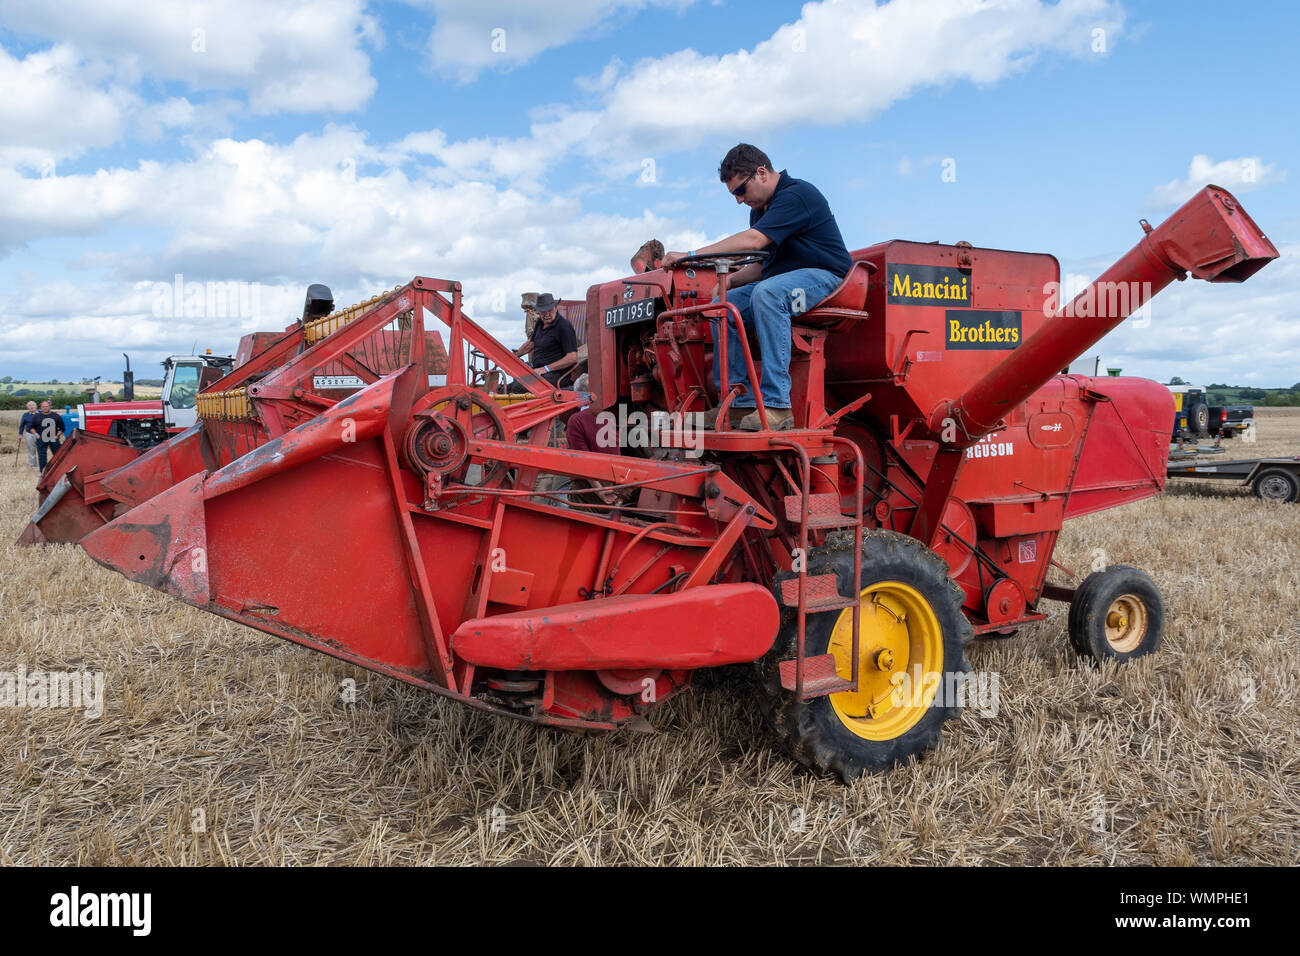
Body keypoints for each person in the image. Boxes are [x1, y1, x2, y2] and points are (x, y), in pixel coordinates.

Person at [662, 144, 851, 430]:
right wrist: (729, 283)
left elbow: (753, 242)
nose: (739, 201)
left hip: (827, 278)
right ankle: (741, 403)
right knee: (723, 307)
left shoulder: (797, 195)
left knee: (768, 294)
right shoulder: (761, 210)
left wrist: (690, 256)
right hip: (787, 279)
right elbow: (766, 265)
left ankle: (777, 406)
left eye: (740, 191)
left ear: (761, 173)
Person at [508, 293, 578, 392]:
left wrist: (545, 369)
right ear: (538, 311)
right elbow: (531, 343)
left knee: (518, 387)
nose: (547, 314)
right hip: (539, 372)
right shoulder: (540, 323)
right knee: (507, 387)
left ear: (555, 307)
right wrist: (514, 356)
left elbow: (572, 358)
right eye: (543, 312)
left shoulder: (564, 326)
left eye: (550, 310)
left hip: (556, 375)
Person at [31, 400, 67, 473]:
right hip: (41, 439)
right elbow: (31, 428)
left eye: (46, 406)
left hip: (53, 439)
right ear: (41, 407)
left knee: (57, 455)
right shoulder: (36, 416)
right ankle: (43, 471)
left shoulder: (56, 416)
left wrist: (57, 436)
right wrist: (36, 435)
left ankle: (59, 470)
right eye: (43, 406)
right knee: (42, 456)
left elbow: (62, 428)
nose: (45, 408)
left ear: (50, 407)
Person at [17, 400, 39, 468]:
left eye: (33, 405)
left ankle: (41, 464)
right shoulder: (25, 415)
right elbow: (22, 425)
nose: (31, 407)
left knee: (41, 450)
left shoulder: (41, 413)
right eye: (29, 405)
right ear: (27, 407)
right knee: (31, 450)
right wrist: (20, 434)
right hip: (29, 434)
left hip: (40, 434)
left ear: (36, 406)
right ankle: (33, 465)